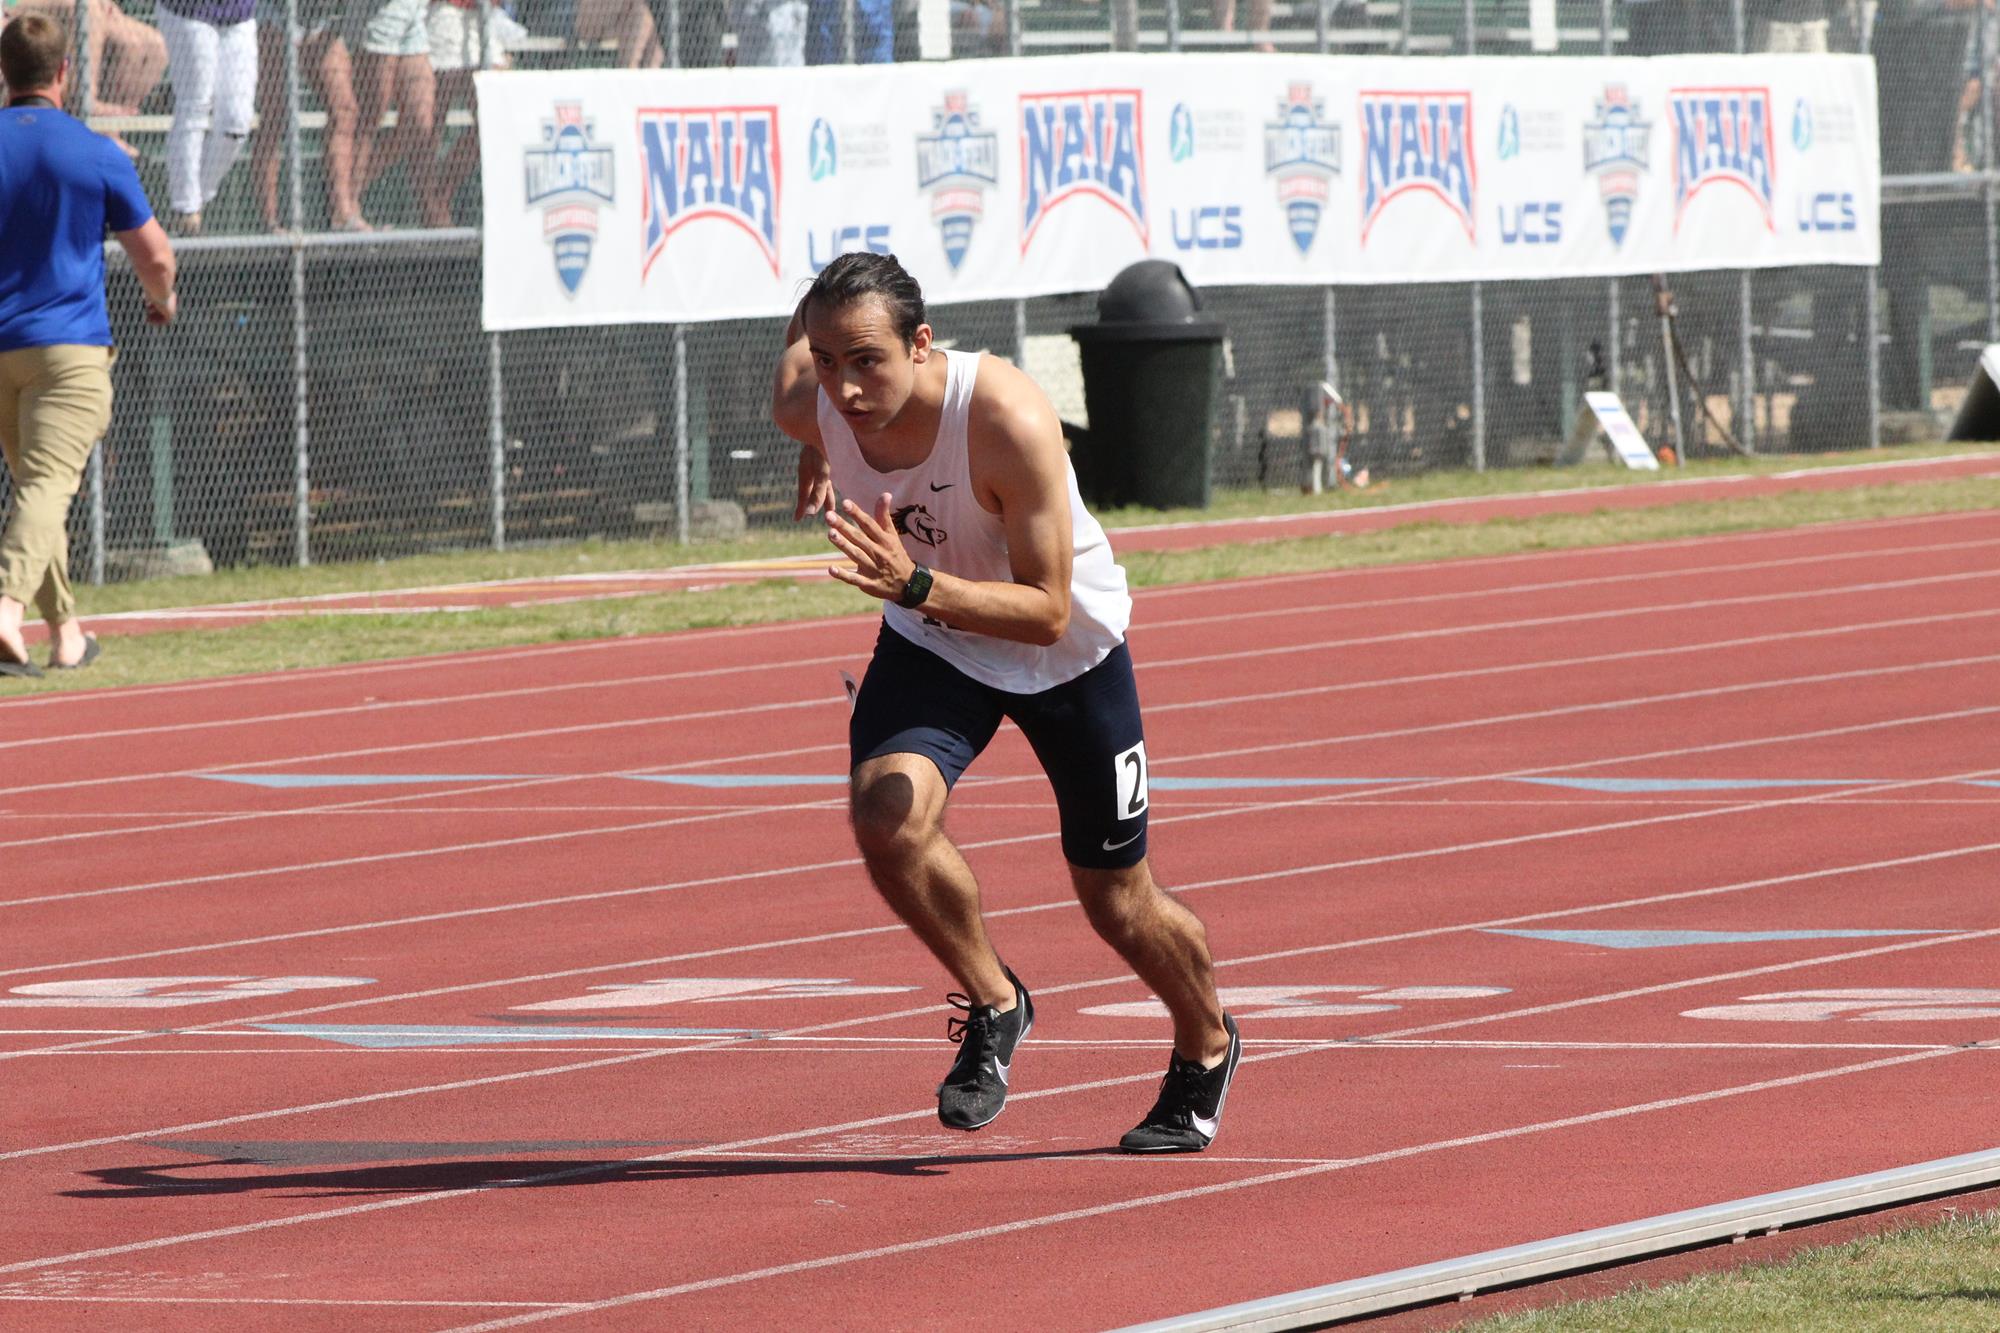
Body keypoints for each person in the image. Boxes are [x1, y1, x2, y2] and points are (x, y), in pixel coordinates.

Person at [770, 252, 1242, 1152]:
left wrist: (913, 584)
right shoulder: (816, 398)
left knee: (1118, 902)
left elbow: (1046, 608)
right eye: (828, 362)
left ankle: (1207, 1042)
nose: (845, 386)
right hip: (938, 645)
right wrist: (813, 443)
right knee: (885, 811)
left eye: (867, 360)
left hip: (1064, 652)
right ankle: (996, 999)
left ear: (921, 342)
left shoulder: (1005, 416)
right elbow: (797, 374)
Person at [0, 13, 176, 677]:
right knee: (46, 488)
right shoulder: (95, 149)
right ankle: (6, 607)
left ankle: (66, 631)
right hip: (69, 346)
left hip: (2, 349)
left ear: (3, 73)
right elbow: (155, 257)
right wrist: (162, 302)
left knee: (32, 493)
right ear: (66, 74)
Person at [249, 1, 365, 230]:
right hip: (275, 15)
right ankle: (270, 222)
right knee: (274, 117)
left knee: (345, 110)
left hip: (317, 21)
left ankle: (342, 213)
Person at [156, 0, 256, 233]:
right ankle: (185, 208)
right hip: (189, 12)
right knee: (194, 106)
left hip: (239, 15)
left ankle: (198, 196)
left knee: (237, 122)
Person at [341, 0, 434, 221]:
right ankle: (348, 207)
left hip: (414, 12)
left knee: (420, 122)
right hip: (380, 12)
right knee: (371, 116)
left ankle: (343, 192)